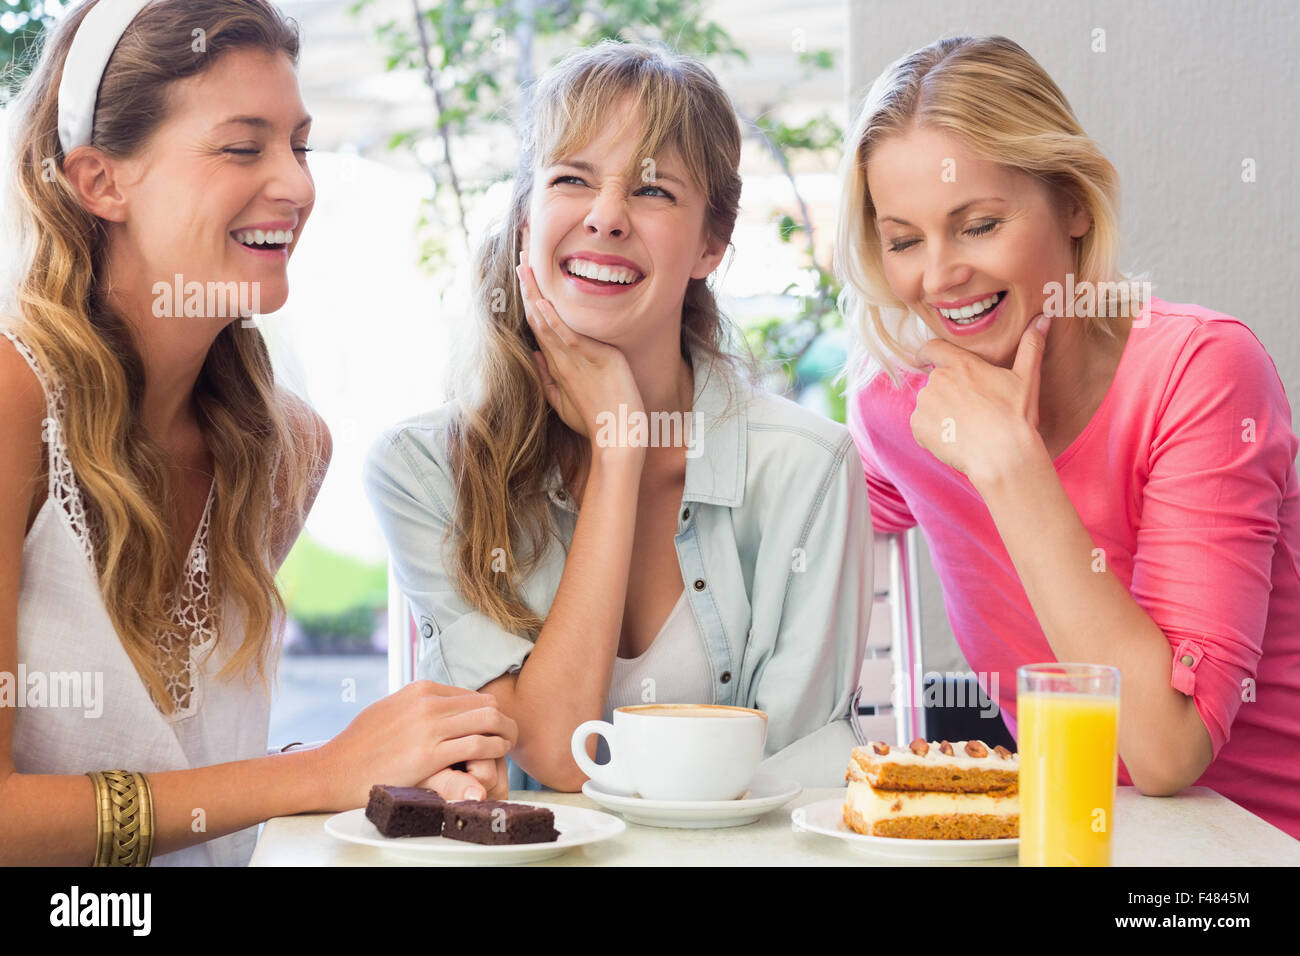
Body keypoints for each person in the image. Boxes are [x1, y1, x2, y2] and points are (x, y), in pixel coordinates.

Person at [0, 0, 515, 867]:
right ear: (99, 182)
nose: (299, 184)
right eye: (244, 147)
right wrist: (319, 772)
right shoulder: (14, 407)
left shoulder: (284, 448)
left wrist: (391, 775)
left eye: (299, 144)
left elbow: (187, 778)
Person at [365, 41, 871, 793]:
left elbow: (795, 790)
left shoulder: (809, 470)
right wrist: (619, 454)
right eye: (571, 179)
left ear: (711, 243)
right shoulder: (423, 469)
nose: (604, 218)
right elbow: (560, 755)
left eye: (653, 191)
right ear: (526, 216)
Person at [837, 35, 1300, 837]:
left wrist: (1010, 467)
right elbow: (806, 528)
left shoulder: (1203, 374)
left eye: (978, 224)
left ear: (1075, 203)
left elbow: (1163, 751)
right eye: (904, 239)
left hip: (1251, 852)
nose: (939, 275)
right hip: (1069, 844)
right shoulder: (901, 410)